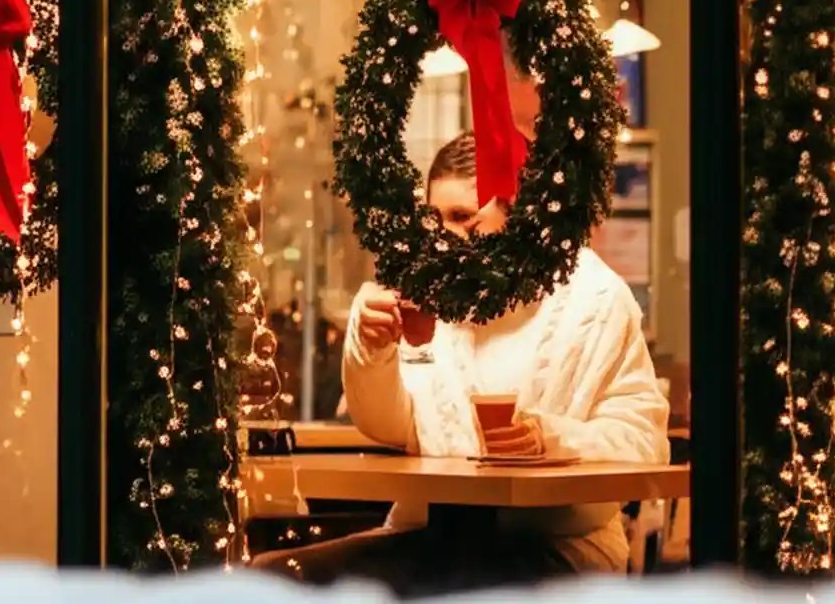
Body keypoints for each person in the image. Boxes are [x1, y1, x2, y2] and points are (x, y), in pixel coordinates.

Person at [251, 132, 670, 596]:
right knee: (273, 578)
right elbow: (392, 424)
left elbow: (643, 441)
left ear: (515, 208)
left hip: (562, 543)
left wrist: (551, 439)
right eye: (436, 219)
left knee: (450, 587)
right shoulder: (425, 289)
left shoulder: (595, 298)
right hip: (424, 532)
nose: (447, 235)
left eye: (464, 218)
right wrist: (371, 347)